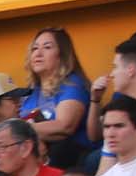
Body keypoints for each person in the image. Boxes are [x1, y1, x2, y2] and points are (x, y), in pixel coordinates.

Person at [20, 27, 92, 168]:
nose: (38, 53)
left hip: (71, 161)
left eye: (47, 47)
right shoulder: (30, 92)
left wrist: (22, 130)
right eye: (34, 48)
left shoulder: (72, 84)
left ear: (62, 55)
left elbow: (65, 126)